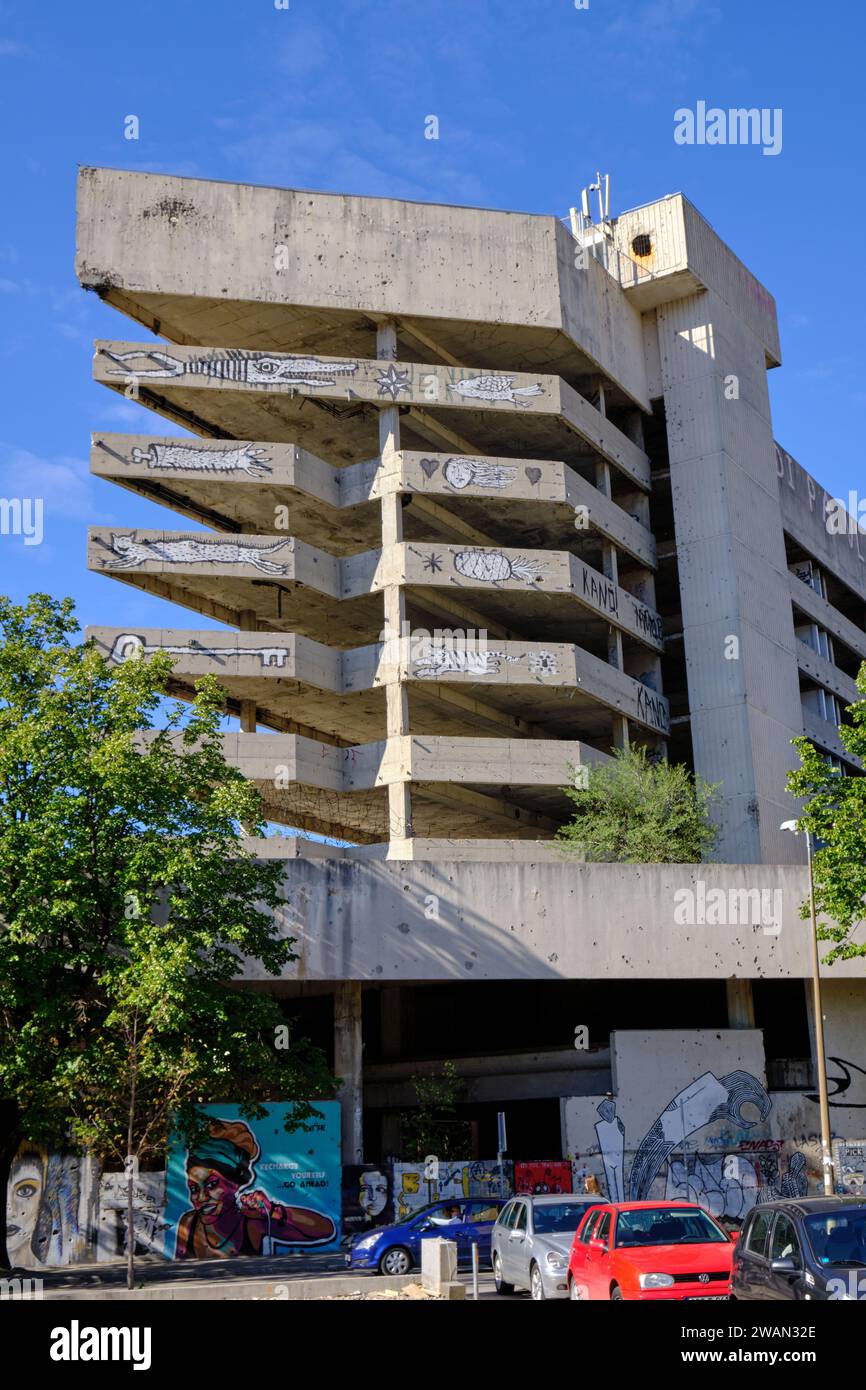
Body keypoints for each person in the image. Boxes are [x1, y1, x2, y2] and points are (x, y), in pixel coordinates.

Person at [174, 1118, 336, 1258]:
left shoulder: (252, 1224)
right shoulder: (189, 1222)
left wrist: (273, 1210)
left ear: (235, 1183)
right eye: (194, 1189)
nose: (201, 1197)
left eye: (212, 1184)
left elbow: (325, 1229)